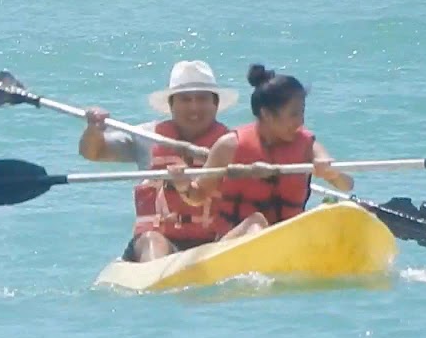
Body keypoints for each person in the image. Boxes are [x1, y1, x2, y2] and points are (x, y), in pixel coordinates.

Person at [78, 60, 239, 262]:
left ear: (215, 104)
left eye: (202, 99)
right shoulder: (147, 136)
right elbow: (93, 152)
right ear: (171, 105)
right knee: (153, 240)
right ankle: (154, 279)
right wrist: (94, 129)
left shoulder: (231, 144)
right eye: (185, 99)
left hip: (215, 242)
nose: (194, 107)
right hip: (159, 239)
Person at [171, 63, 355, 240]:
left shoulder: (307, 145)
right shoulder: (229, 146)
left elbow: (346, 185)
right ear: (267, 114)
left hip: (287, 240)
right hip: (233, 243)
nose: (300, 121)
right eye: (293, 114)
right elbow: (198, 195)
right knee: (256, 223)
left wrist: (331, 171)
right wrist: (183, 186)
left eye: (301, 113)